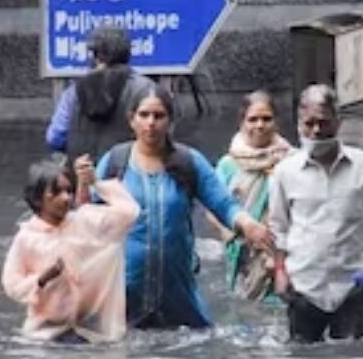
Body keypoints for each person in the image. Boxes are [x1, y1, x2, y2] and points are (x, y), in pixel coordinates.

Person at [94, 85, 273, 329]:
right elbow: (86, 218)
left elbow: (223, 203)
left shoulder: (189, 162)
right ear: (131, 120)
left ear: (170, 120)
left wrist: (248, 224)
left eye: (159, 116)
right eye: (144, 115)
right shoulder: (115, 162)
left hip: (178, 293)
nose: (151, 123)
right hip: (122, 291)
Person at [269, 84, 363, 343]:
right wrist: (279, 272)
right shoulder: (285, 172)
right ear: (299, 124)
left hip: (351, 283)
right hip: (302, 283)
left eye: (323, 123)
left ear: (337, 122)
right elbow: (278, 227)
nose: (316, 131)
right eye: (309, 123)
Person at [2, 157, 140, 343]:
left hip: (89, 330)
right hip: (44, 334)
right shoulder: (27, 238)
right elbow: (12, 285)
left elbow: (129, 213)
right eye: (56, 192)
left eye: (69, 191)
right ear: (37, 198)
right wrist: (42, 279)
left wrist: (95, 182)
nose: (66, 198)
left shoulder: (83, 221)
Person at [210, 90, 293, 301]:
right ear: (242, 123)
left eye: (266, 119)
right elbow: (213, 207)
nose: (259, 125)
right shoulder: (228, 165)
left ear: (276, 122)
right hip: (243, 252)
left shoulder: (293, 161)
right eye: (253, 119)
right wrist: (236, 236)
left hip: (285, 252)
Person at [45, 25, 151, 163]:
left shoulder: (74, 92)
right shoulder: (146, 89)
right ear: (128, 55)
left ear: (95, 55)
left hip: (83, 176)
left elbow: (55, 138)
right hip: (128, 177)